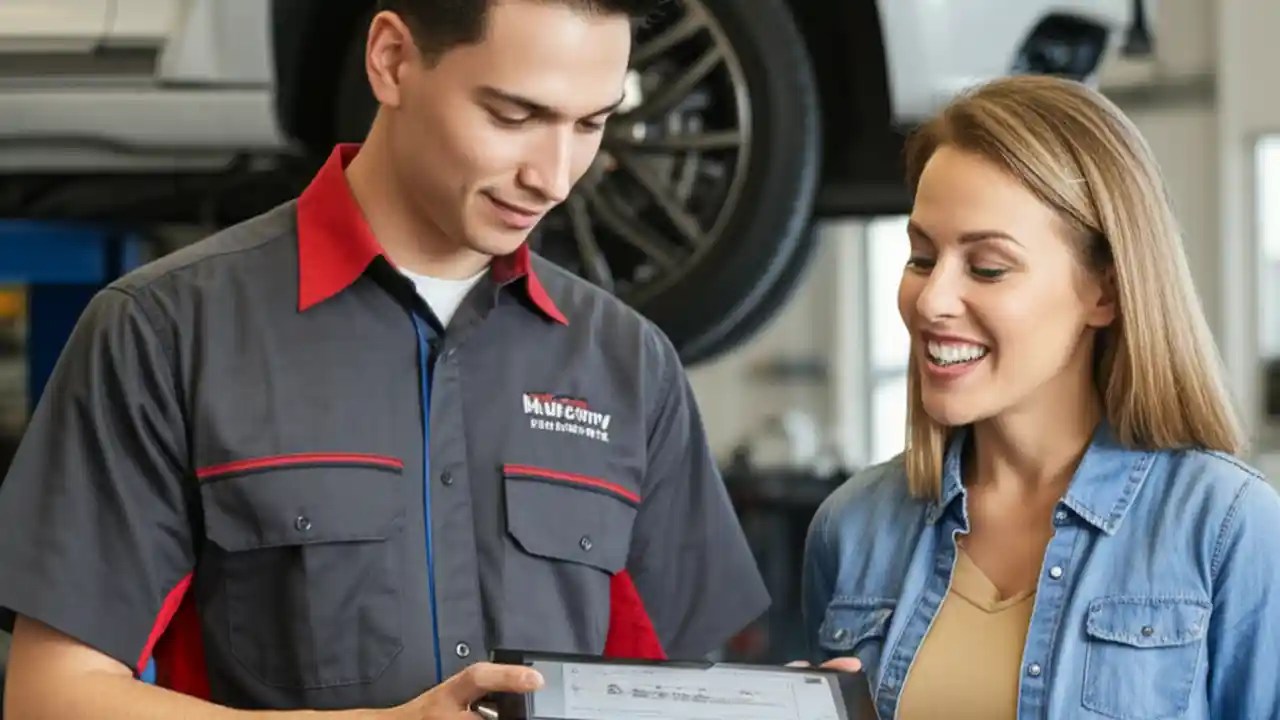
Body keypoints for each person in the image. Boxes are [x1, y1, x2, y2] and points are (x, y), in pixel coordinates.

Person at [0, 0, 772, 716]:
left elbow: (679, 688)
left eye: (592, 124)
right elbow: (50, 696)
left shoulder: (629, 363)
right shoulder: (164, 332)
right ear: (392, 59)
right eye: (515, 115)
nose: (555, 175)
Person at [802, 75, 1280, 720]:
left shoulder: (1227, 527)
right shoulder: (852, 526)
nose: (933, 300)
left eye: (988, 267)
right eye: (920, 257)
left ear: (1104, 292)